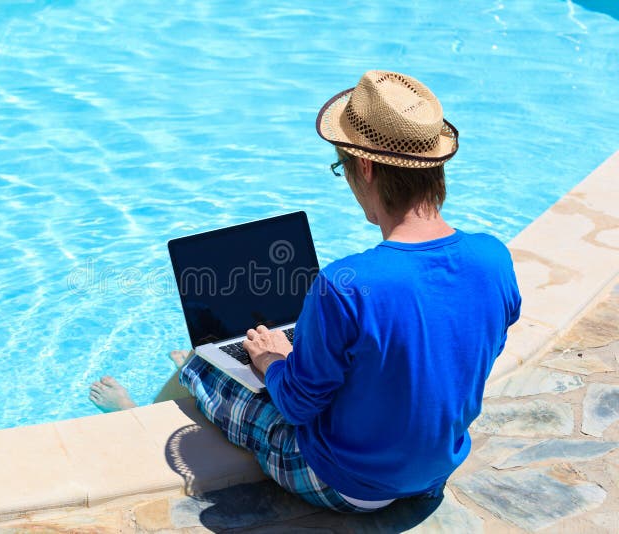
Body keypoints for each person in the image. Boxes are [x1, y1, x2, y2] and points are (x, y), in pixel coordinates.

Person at [90, 70, 521, 513]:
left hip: (346, 483)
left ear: (366, 168)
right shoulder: (494, 258)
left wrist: (272, 360)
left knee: (205, 365)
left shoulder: (346, 285)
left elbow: (297, 406)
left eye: (344, 168)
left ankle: (148, 403)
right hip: (434, 470)